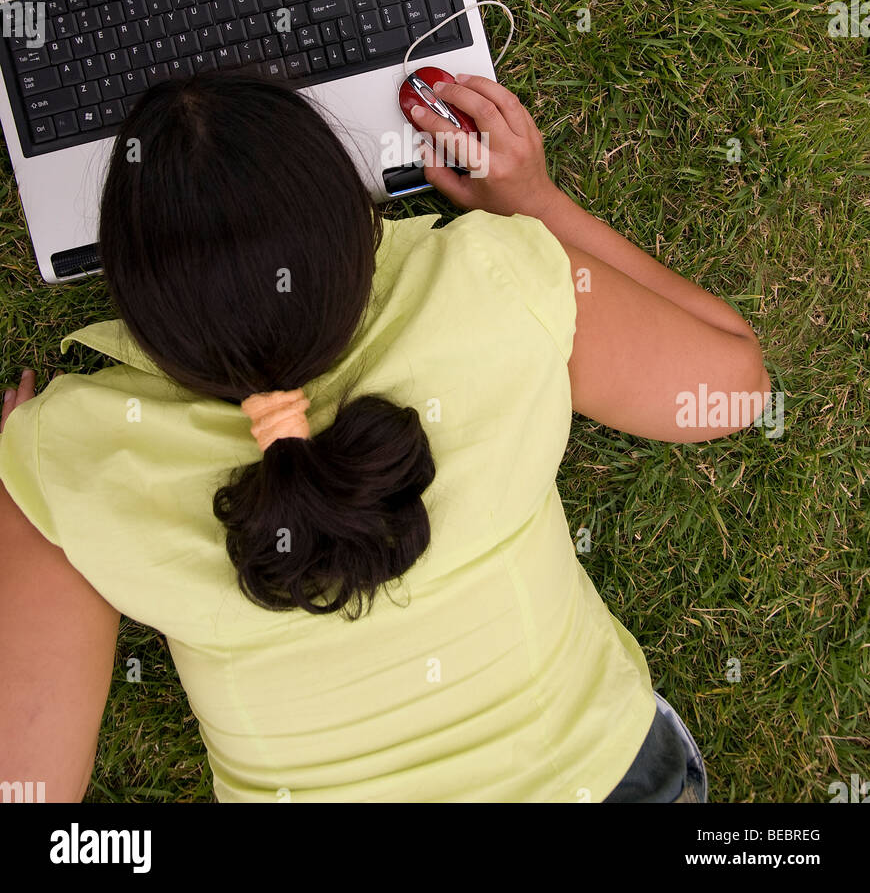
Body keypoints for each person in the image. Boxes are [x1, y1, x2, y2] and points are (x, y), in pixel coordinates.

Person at [0, 69, 769, 803]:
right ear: (362, 226)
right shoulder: (490, 283)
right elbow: (735, 391)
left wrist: (27, 486)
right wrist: (534, 206)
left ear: (137, 300)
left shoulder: (70, 460)